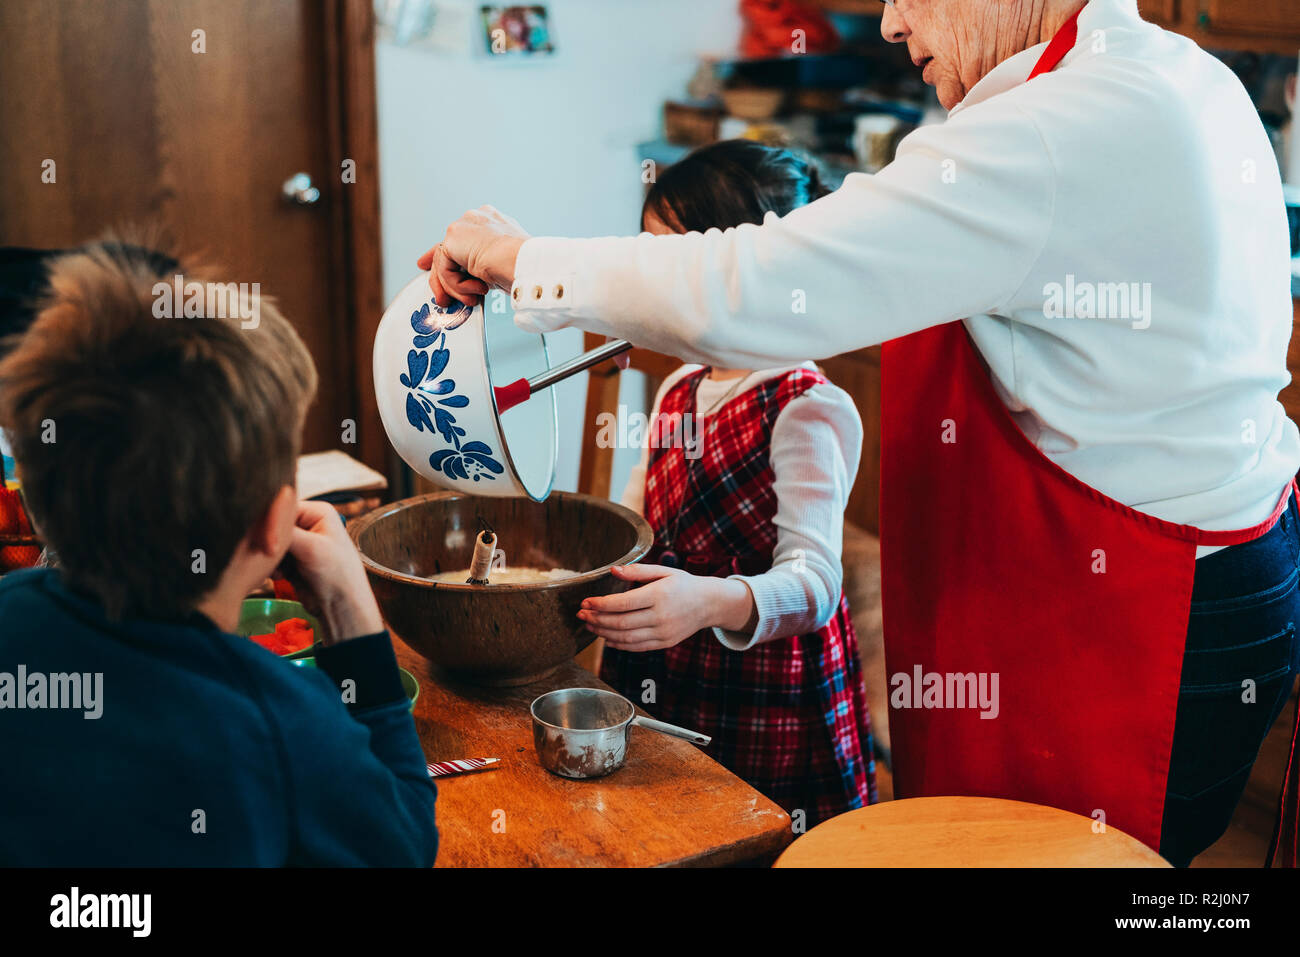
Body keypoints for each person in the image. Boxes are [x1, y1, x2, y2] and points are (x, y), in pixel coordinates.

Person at [421, 0, 1300, 866]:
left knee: (1084, 862)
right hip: (1224, 566)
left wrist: (522, 259)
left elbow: (754, 287)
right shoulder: (1176, 75)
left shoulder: (1052, 129)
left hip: (1148, 606)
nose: (886, 23)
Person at [0, 241, 438, 866]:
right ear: (270, 525)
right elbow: (402, 846)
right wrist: (351, 612)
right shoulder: (285, 728)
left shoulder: (9, 614)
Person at [580, 141, 877, 826]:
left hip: (768, 692)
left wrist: (711, 601)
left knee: (754, 833)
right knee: (671, 822)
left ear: (744, 270)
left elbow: (815, 582)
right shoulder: (681, 383)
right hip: (669, 666)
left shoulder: (803, 402)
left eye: (669, 262)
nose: (648, 283)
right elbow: (641, 514)